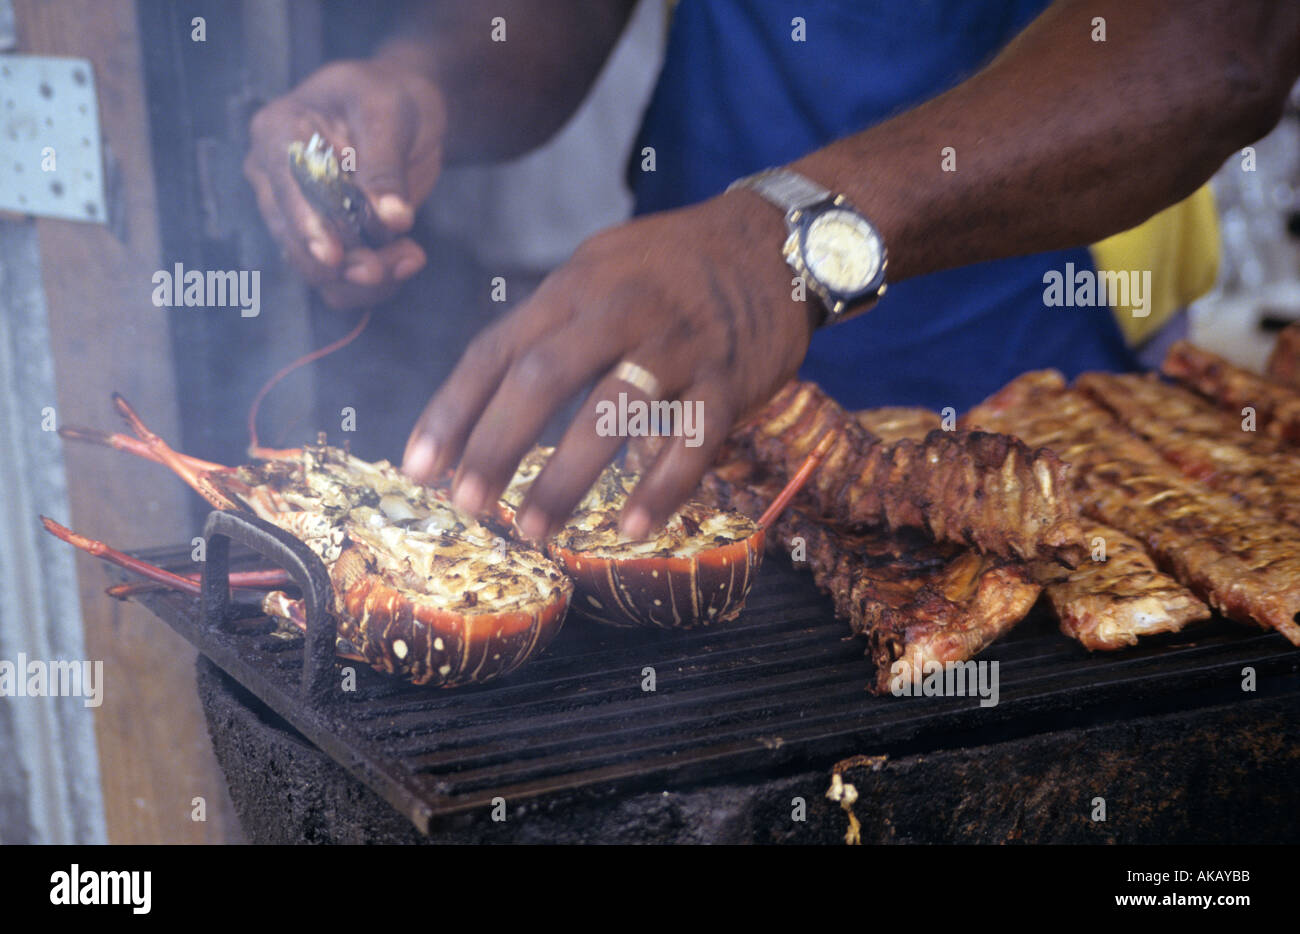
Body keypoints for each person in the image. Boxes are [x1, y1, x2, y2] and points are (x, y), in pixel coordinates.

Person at [244, 0, 1300, 545]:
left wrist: (791, 241)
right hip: (687, 363)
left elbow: (1220, 42)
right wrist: (419, 79)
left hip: (1035, 347)